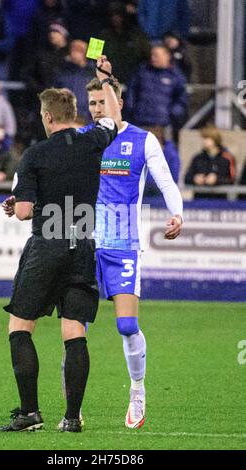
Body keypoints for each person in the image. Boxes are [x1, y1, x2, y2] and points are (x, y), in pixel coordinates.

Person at [0, 56, 121, 433]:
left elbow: (22, 213)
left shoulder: (35, 154)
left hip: (47, 245)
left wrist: (16, 203)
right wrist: (106, 80)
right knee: (74, 331)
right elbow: (112, 120)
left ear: (48, 117)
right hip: (82, 244)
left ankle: (30, 413)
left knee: (20, 326)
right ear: (73, 113)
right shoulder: (92, 142)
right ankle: (71, 418)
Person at [59, 77, 183, 430]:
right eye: (92, 103)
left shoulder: (143, 141)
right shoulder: (83, 139)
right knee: (74, 332)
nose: (97, 109)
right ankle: (72, 409)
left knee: (127, 326)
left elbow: (165, 181)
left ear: (119, 102)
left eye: (103, 102)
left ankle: (138, 390)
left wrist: (178, 214)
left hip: (123, 245)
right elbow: (46, 167)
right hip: (85, 245)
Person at [125, 45, 188, 131]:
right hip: (139, 122)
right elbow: (131, 92)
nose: (152, 58)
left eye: (156, 55)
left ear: (167, 56)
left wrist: (173, 115)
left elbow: (181, 99)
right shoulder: (141, 72)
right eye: (151, 55)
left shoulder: (176, 76)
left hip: (163, 125)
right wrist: (131, 109)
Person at [185, 126, 236, 198]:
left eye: (206, 138)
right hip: (200, 200)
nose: (203, 141)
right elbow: (187, 178)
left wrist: (217, 180)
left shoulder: (227, 158)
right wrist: (195, 178)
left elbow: (232, 179)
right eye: (203, 138)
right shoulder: (198, 158)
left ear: (215, 139)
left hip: (221, 201)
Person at [53, 40, 95, 121]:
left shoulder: (92, 74)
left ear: (84, 53)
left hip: (87, 118)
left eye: (78, 51)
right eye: (72, 50)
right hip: (67, 117)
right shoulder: (63, 72)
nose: (73, 54)